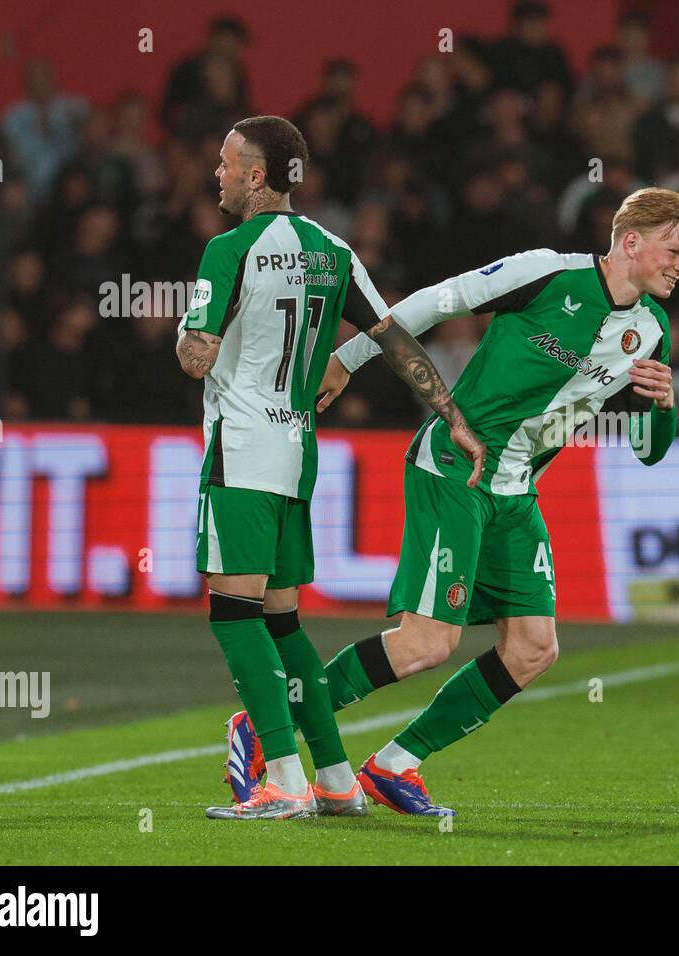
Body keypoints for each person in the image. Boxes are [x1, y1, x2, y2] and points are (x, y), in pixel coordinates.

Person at [227, 187, 679, 816]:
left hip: (515, 491)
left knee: (534, 647)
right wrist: (348, 357)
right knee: (427, 643)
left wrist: (663, 407)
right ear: (631, 241)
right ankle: (263, 724)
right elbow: (434, 302)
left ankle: (395, 766)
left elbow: (648, 449)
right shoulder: (546, 272)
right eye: (675, 249)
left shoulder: (650, 331)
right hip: (455, 468)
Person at [175, 115, 483, 820]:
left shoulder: (229, 249)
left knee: (232, 614)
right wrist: (451, 416)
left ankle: (282, 778)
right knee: (283, 625)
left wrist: (191, 334)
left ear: (257, 177)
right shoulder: (332, 250)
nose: (216, 175)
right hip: (297, 452)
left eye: (226, 165)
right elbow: (392, 338)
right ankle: (338, 780)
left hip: (244, 448)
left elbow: (196, 355)